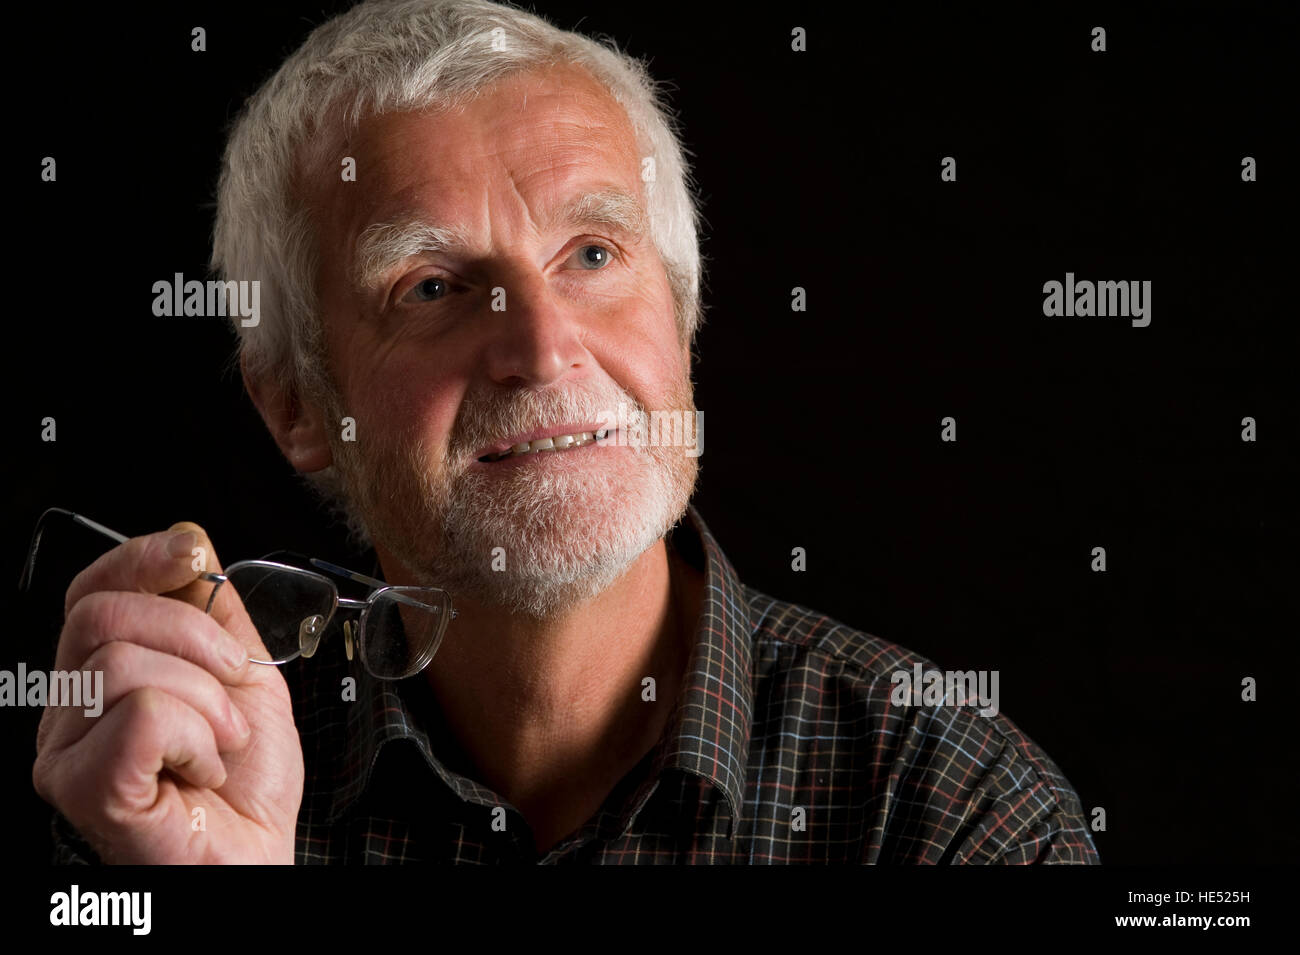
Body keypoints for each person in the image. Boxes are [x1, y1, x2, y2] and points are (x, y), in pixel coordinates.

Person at [36, 0, 1098, 864]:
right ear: (296, 407)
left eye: (592, 255)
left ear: (680, 317)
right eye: (434, 285)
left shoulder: (952, 812)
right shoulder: (167, 787)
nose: (542, 349)